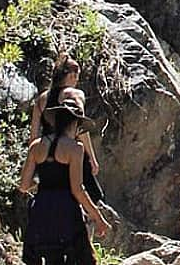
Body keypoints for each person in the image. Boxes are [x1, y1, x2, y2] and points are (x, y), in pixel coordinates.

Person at [19, 95, 111, 265]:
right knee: (83, 259)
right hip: (66, 211)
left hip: (41, 209)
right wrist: (98, 218)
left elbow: (24, 185)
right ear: (75, 124)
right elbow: (77, 189)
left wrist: (43, 185)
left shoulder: (36, 146)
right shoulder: (75, 148)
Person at [31, 55, 102, 202]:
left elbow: (33, 136)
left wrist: (36, 163)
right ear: (71, 75)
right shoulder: (75, 95)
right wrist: (92, 159)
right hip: (71, 151)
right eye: (77, 76)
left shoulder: (41, 99)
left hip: (47, 155)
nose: (77, 81)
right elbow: (79, 126)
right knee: (94, 198)